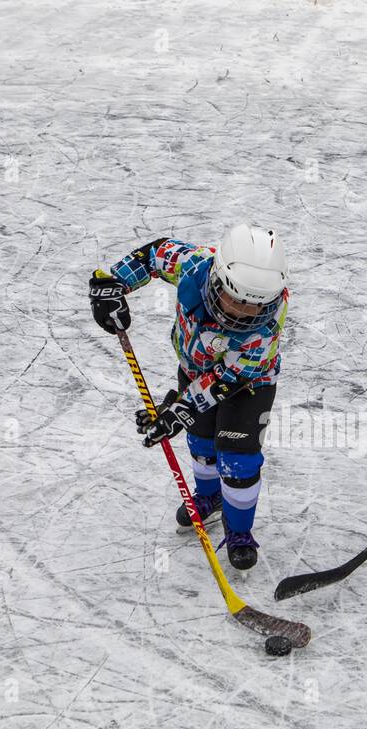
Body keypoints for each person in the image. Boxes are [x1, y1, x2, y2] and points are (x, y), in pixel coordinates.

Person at [89, 225, 288, 569]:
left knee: (238, 461)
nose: (242, 313)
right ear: (217, 279)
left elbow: (227, 380)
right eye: (235, 299)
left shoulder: (263, 334)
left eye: (254, 307)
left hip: (247, 385)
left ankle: (240, 531)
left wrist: (177, 411)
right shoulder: (195, 264)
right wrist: (114, 285)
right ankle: (209, 497)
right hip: (194, 369)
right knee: (200, 441)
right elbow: (153, 254)